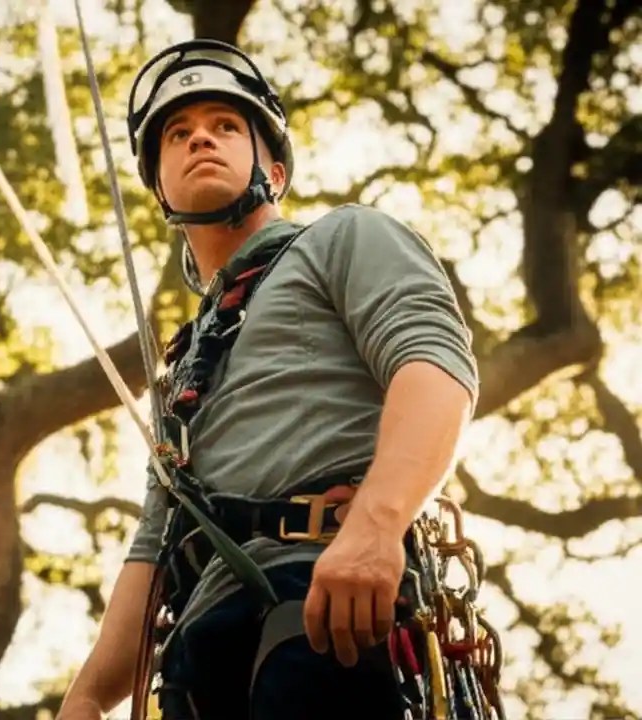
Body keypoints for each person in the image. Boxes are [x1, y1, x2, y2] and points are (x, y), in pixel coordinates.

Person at [56, 40, 479, 720]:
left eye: (226, 126)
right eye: (178, 133)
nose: (201, 139)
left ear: (273, 172)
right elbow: (151, 547)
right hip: (199, 653)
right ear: (160, 187)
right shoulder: (184, 371)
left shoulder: (345, 238)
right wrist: (83, 700)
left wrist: (374, 528)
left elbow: (432, 363)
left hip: (324, 605)